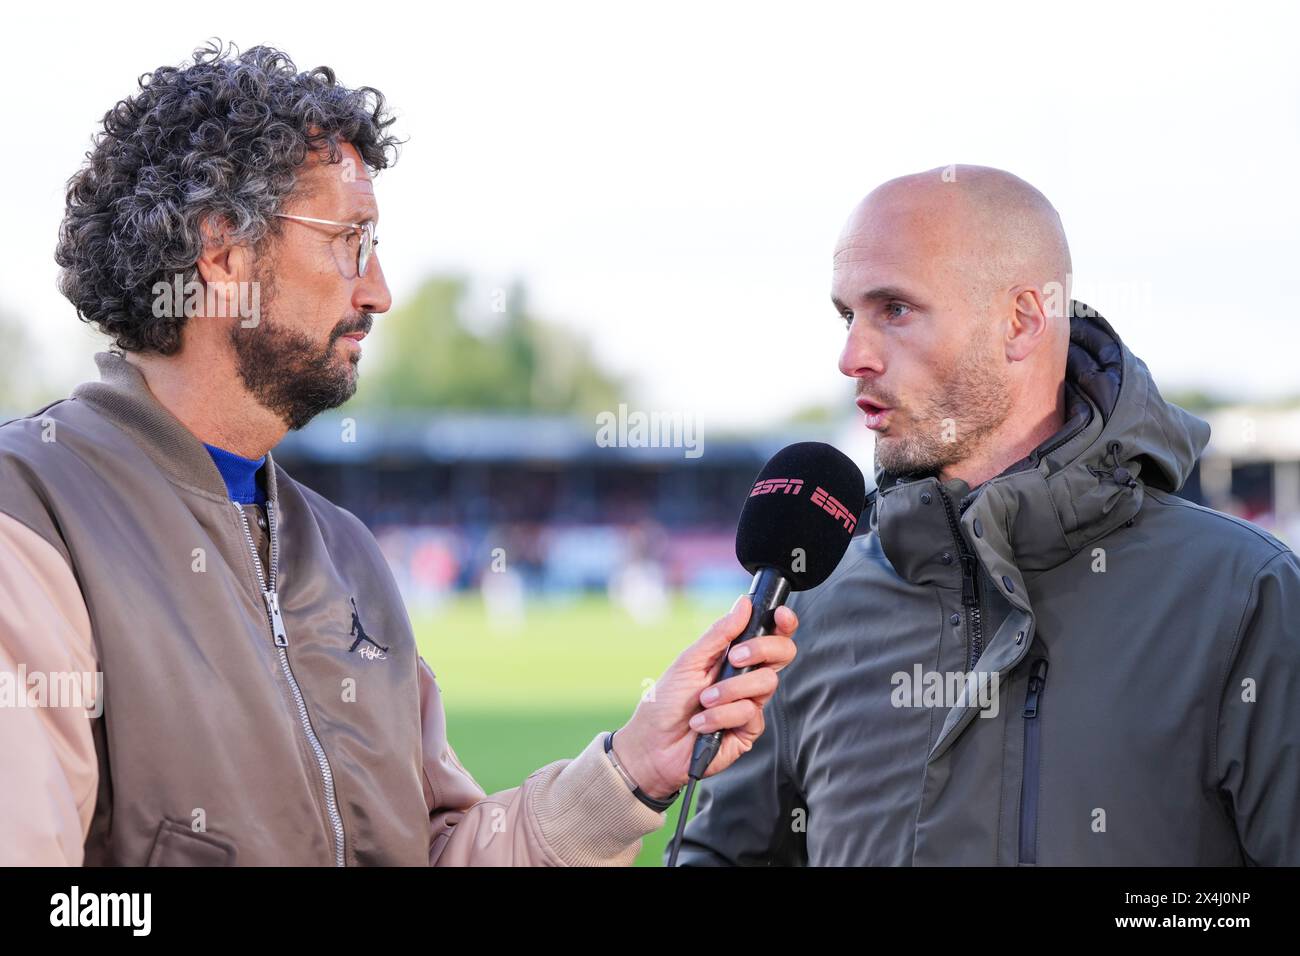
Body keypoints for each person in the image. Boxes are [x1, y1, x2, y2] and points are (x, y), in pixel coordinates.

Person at [0, 42, 797, 866]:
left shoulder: (344, 553)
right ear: (224, 252)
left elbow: (434, 853)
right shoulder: (29, 516)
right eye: (351, 240)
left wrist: (630, 770)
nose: (379, 289)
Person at [671, 165, 1300, 866]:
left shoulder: (1246, 596)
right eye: (848, 316)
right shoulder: (809, 611)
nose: (852, 356)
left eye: (895, 310)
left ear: (1022, 320)